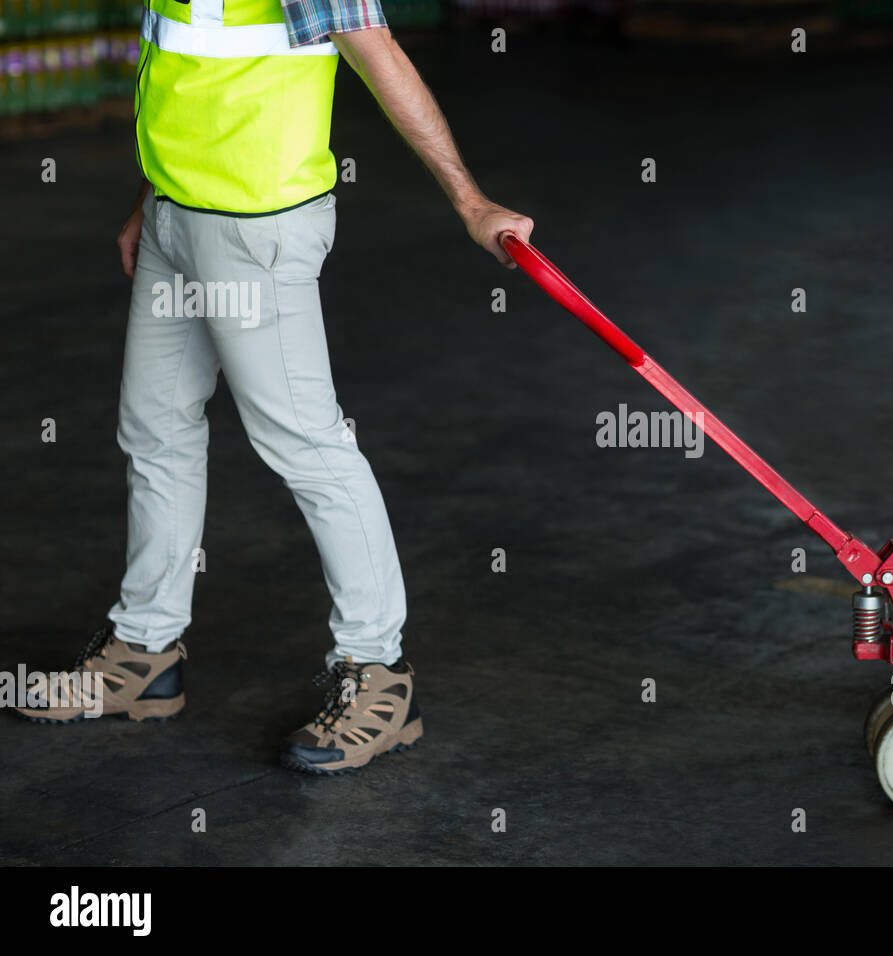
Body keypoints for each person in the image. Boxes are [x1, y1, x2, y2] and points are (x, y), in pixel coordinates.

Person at [15, 0, 533, 775]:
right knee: (155, 429)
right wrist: (151, 198)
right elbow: (189, 73)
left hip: (255, 230)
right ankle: (144, 654)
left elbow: (376, 47)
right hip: (175, 216)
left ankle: (379, 677)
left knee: (306, 444)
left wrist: (469, 199)